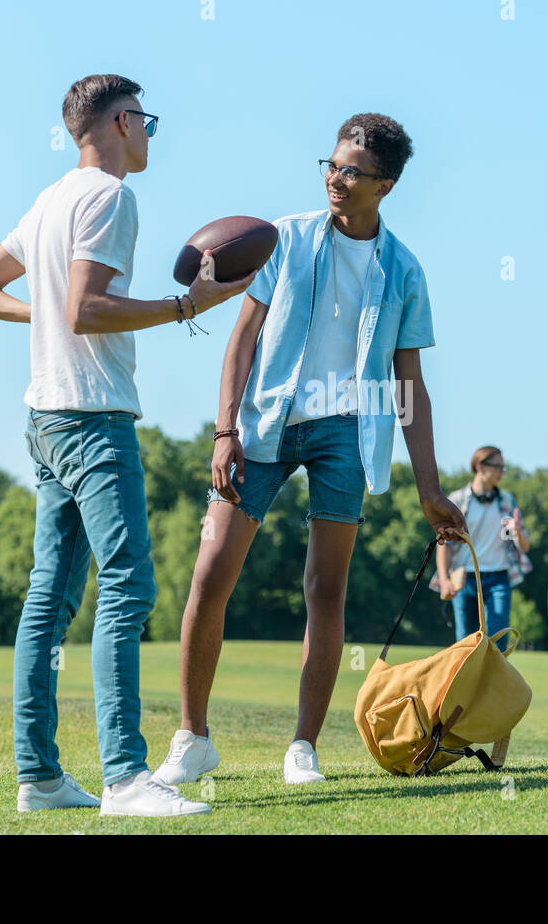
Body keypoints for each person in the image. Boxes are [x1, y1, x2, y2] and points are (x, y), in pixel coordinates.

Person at [0, 74, 256, 817]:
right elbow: (85, 309)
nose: (149, 133)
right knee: (127, 588)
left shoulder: (51, 198)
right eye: (146, 120)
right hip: (92, 420)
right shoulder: (112, 197)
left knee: (47, 598)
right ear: (122, 121)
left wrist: (45, 320)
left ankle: (41, 777)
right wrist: (187, 305)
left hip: (46, 418)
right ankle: (124, 776)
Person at [152, 113, 466, 788]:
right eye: (330, 164)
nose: (336, 178)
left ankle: (302, 746)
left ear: (384, 183)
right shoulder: (286, 239)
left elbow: (411, 385)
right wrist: (224, 428)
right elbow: (242, 338)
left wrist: (430, 487)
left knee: (326, 589)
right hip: (262, 425)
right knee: (211, 571)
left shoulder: (404, 270)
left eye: (352, 170)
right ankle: (191, 736)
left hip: (347, 436)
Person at [430, 446, 532, 650]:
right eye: (498, 467)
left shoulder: (506, 500)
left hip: (499, 579)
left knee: (498, 641)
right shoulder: (457, 500)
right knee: (464, 643)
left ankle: (491, 682)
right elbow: (444, 544)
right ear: (480, 467)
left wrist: (517, 531)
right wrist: (444, 579)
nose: (502, 472)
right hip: (464, 578)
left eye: (504, 467)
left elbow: (525, 547)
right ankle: (466, 682)